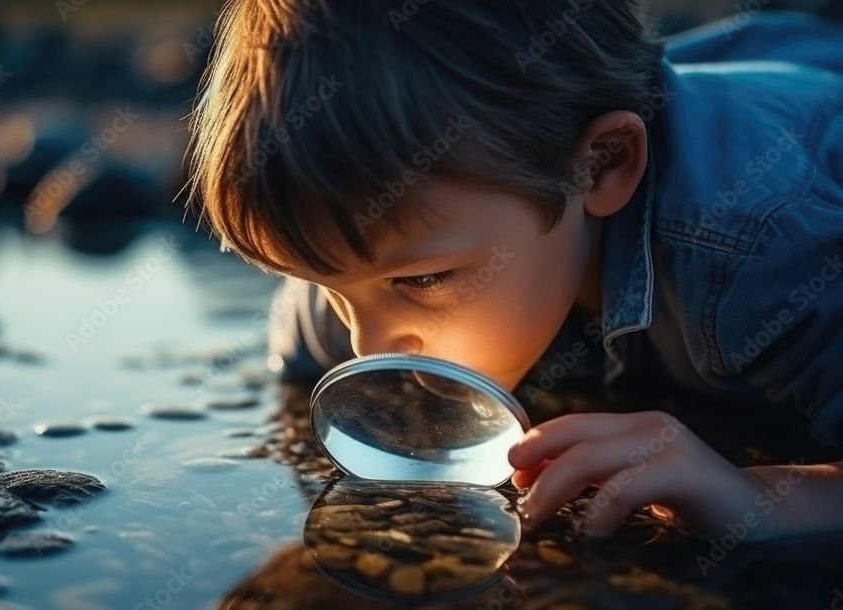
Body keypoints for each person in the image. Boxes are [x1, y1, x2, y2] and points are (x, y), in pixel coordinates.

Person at [182, 2, 843, 542]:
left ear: (602, 165)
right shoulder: (388, 245)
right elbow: (298, 367)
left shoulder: (761, 251)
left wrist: (758, 499)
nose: (367, 346)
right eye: (329, 286)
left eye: (423, 281)